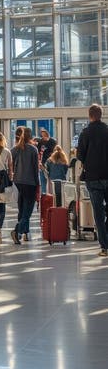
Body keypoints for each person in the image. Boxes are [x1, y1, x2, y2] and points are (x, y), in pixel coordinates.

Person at [77, 104, 108, 257]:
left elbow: (80, 156)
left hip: (93, 178)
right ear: (101, 115)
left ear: (90, 116)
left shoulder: (85, 133)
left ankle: (105, 247)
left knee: (98, 213)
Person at [11, 127, 39, 244]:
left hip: (18, 182)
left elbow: (11, 165)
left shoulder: (15, 149)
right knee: (27, 211)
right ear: (30, 136)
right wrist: (37, 183)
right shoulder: (33, 150)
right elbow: (35, 168)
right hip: (30, 182)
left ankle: (25, 234)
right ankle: (18, 231)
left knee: (22, 209)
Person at [37, 128, 57, 196]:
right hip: (42, 163)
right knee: (43, 181)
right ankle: (44, 195)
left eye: (44, 134)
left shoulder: (52, 141)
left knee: (51, 181)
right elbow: (38, 152)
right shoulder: (40, 142)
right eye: (42, 135)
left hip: (51, 163)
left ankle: (52, 195)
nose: (43, 136)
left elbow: (54, 151)